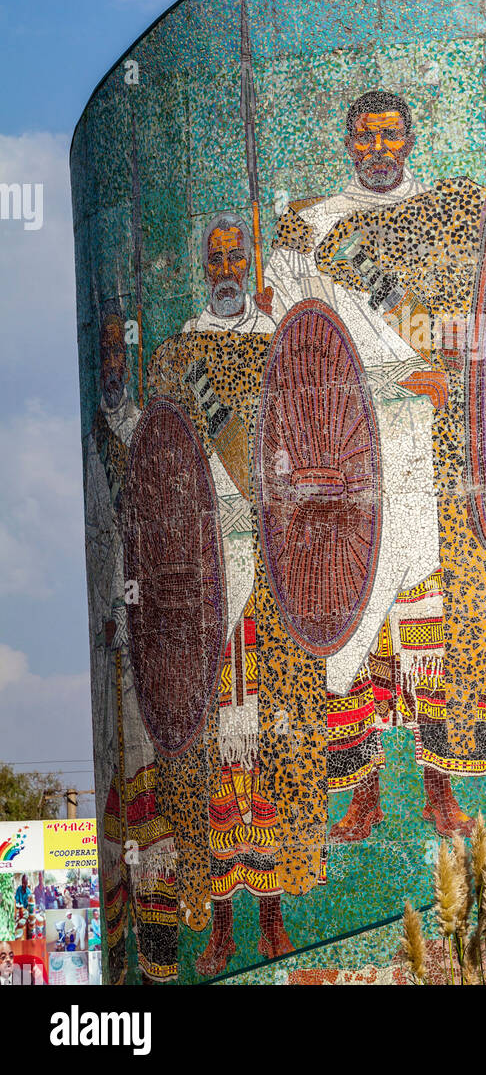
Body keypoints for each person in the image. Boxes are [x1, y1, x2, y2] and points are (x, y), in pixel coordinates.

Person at [264, 90, 486, 843]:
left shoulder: (442, 218)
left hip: (427, 450)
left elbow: (477, 320)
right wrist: (396, 374)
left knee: (430, 618)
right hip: (346, 453)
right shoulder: (311, 231)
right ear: (347, 139)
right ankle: (363, 797)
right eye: (363, 134)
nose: (376, 147)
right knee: (353, 624)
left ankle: (439, 792)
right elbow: (295, 343)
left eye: (389, 134)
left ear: (409, 138)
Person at [147, 210, 313, 978]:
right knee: (212, 763)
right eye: (211, 258)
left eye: (234, 255)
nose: (223, 268)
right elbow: (158, 465)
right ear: (200, 265)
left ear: (249, 260)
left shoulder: (276, 340)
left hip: (269, 576)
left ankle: (275, 918)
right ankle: (217, 928)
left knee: (274, 750)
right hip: (202, 579)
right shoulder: (177, 355)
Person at [84, 304, 175, 985]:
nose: (111, 366)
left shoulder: (148, 430)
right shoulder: (97, 442)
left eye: (120, 353)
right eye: (103, 354)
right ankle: (128, 951)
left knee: (157, 804)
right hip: (118, 647)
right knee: (123, 798)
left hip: (157, 640)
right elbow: (102, 536)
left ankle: (159, 947)